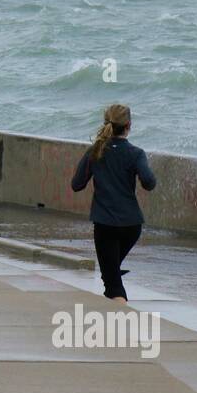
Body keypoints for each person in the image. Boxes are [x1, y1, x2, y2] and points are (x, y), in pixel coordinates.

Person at [70, 103, 156, 303]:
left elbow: (76, 185)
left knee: (112, 282)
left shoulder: (95, 151)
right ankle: (112, 323)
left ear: (106, 124)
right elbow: (149, 183)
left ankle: (123, 323)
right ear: (129, 125)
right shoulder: (136, 153)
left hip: (105, 225)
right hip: (131, 226)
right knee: (111, 276)